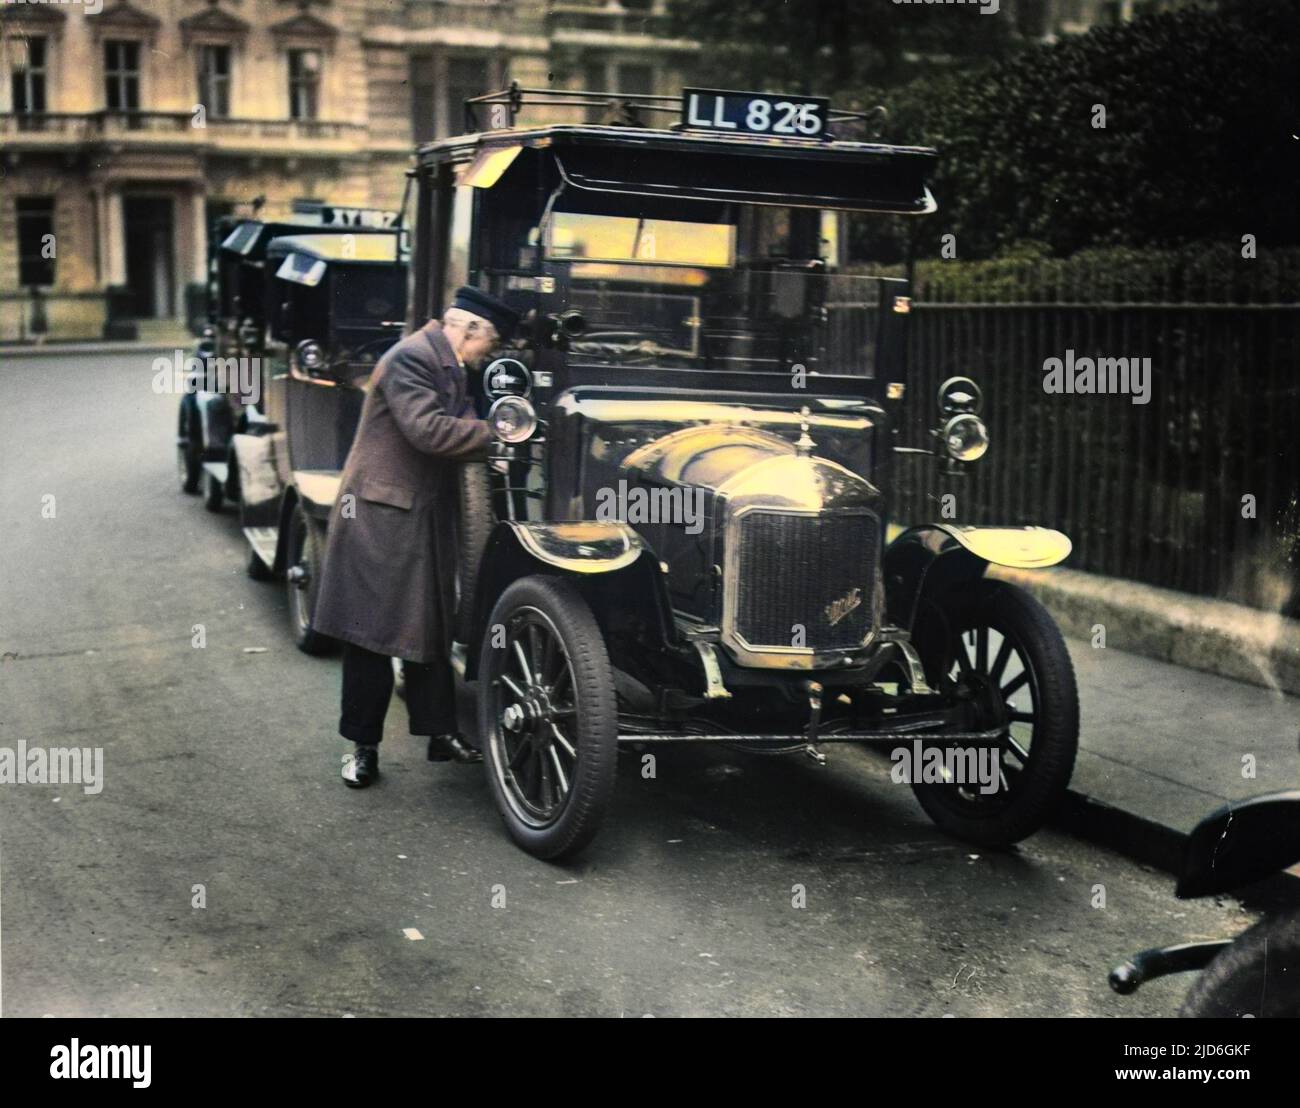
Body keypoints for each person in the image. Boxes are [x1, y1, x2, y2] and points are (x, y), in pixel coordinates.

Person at [313, 286, 520, 787]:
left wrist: (496, 424)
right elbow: (427, 430)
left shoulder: (445, 362)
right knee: (370, 638)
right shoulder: (410, 358)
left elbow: (462, 418)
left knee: (427, 630)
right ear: (467, 329)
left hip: (418, 513)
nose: (487, 355)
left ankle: (439, 733)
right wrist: (501, 434)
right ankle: (362, 748)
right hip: (381, 516)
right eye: (487, 344)